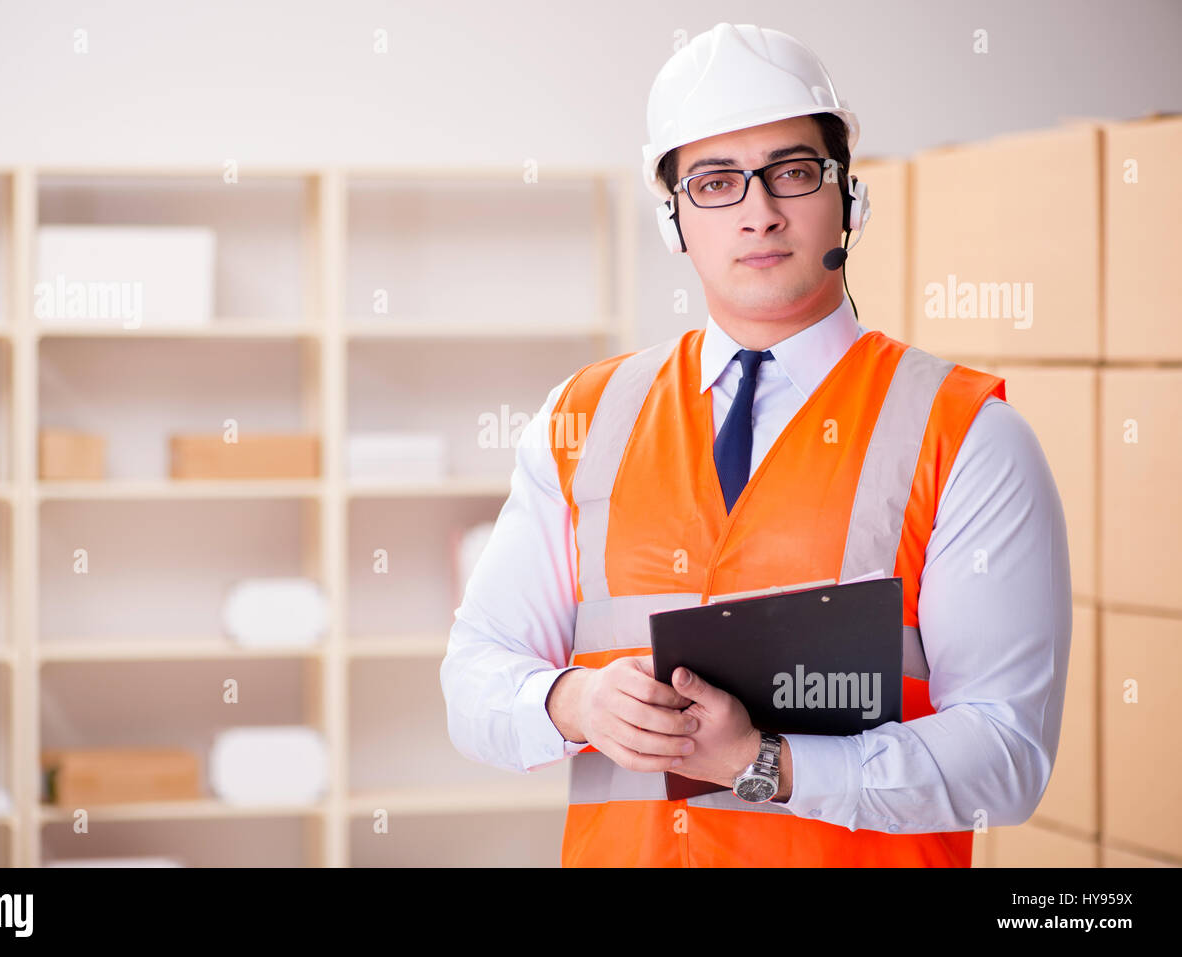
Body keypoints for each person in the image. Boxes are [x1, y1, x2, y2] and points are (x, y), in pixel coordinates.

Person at [440, 22, 1072, 867]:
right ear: (673, 220)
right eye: (714, 183)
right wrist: (574, 700)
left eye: (793, 172)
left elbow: (1009, 758)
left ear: (849, 193)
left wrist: (766, 764)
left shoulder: (967, 436)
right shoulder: (582, 417)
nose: (759, 212)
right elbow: (473, 678)